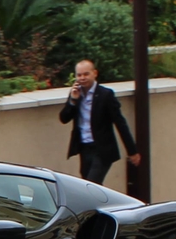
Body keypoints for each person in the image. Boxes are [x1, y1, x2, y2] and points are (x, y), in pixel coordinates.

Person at [58, 59, 140, 188]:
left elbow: (120, 122)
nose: (82, 78)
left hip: (102, 149)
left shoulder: (105, 95)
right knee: (89, 185)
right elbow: (64, 118)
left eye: (86, 74)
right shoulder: (76, 93)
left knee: (90, 185)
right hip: (84, 148)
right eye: (79, 75)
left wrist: (132, 151)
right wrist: (73, 100)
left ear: (95, 73)